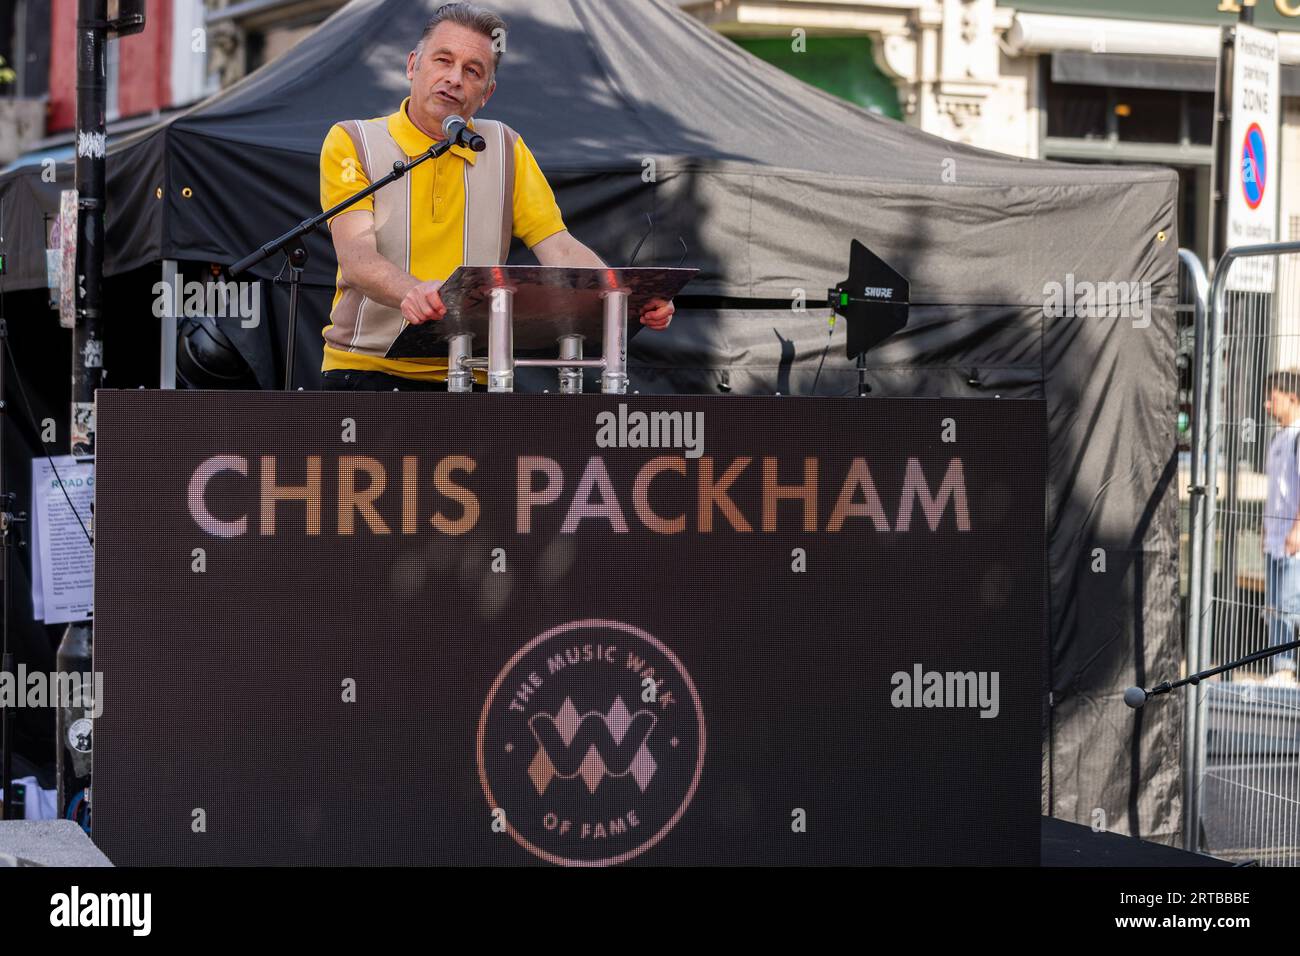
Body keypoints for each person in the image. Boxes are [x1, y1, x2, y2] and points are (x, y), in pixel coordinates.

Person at [317, 2, 674, 391]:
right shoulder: (352, 140)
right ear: (412, 66)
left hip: (474, 374)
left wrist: (627, 298)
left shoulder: (505, 146)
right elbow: (356, 258)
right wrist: (411, 292)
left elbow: (558, 246)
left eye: (472, 71)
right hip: (366, 373)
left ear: (486, 94)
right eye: (443, 60)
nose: (454, 78)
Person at [1261, 368, 1300, 685]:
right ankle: (1279, 666)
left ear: (1291, 397)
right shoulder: (1277, 437)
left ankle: (1285, 667)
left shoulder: (1299, 437)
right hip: (1275, 537)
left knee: (1288, 604)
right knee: (1274, 605)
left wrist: (1297, 529)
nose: (1266, 405)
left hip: (1292, 539)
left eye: (1272, 398)